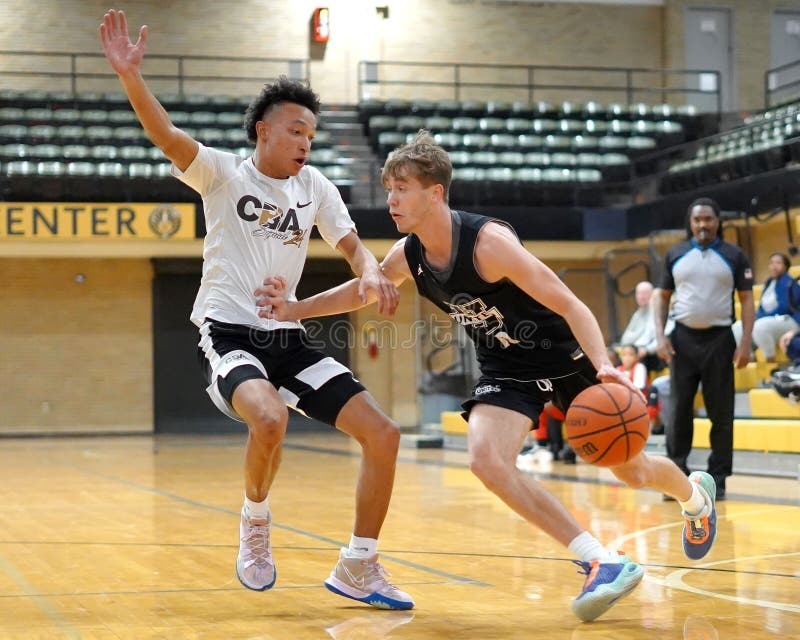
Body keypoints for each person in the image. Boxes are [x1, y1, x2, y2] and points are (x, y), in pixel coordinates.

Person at [255, 130, 720, 622]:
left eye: (402, 188)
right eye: (389, 188)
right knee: (485, 460)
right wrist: (295, 309)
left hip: (565, 356)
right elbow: (362, 290)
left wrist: (603, 364)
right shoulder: (408, 254)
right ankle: (600, 561)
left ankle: (695, 497)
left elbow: (570, 304)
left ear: (435, 193)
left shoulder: (489, 244)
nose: (390, 200)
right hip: (507, 366)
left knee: (631, 470)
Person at [99, 9, 414, 610]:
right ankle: (255, 520)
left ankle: (360, 564)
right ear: (264, 132)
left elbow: (350, 245)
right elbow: (166, 135)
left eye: (312, 135)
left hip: (285, 335)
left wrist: (372, 270)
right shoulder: (222, 173)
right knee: (269, 419)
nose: (306, 143)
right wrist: (130, 77)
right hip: (228, 332)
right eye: (296, 131)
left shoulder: (315, 187)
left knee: (384, 433)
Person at [653, 197, 755, 501]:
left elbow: (747, 300)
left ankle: (718, 478)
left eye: (708, 219)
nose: (703, 224)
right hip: (682, 340)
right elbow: (661, 296)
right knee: (679, 411)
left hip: (720, 340)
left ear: (717, 221)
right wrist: (660, 336)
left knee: (721, 413)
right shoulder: (676, 254)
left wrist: (746, 342)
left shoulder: (734, 255)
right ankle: (676, 476)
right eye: (697, 219)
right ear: (690, 223)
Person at [732, 252, 800, 363]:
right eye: (771, 263)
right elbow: (762, 307)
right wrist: (756, 315)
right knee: (738, 327)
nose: (774, 266)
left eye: (778, 263)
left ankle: (770, 361)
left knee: (760, 326)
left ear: (785, 266)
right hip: (769, 320)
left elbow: (784, 308)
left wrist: (761, 316)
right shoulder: (769, 283)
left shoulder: (789, 283)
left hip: (789, 320)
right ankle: (750, 358)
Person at [617, 281, 662, 372]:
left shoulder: (658, 311)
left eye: (645, 293)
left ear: (652, 294)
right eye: (639, 293)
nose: (641, 296)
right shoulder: (638, 314)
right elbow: (625, 338)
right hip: (636, 349)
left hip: (651, 355)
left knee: (635, 358)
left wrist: (647, 349)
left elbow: (661, 338)